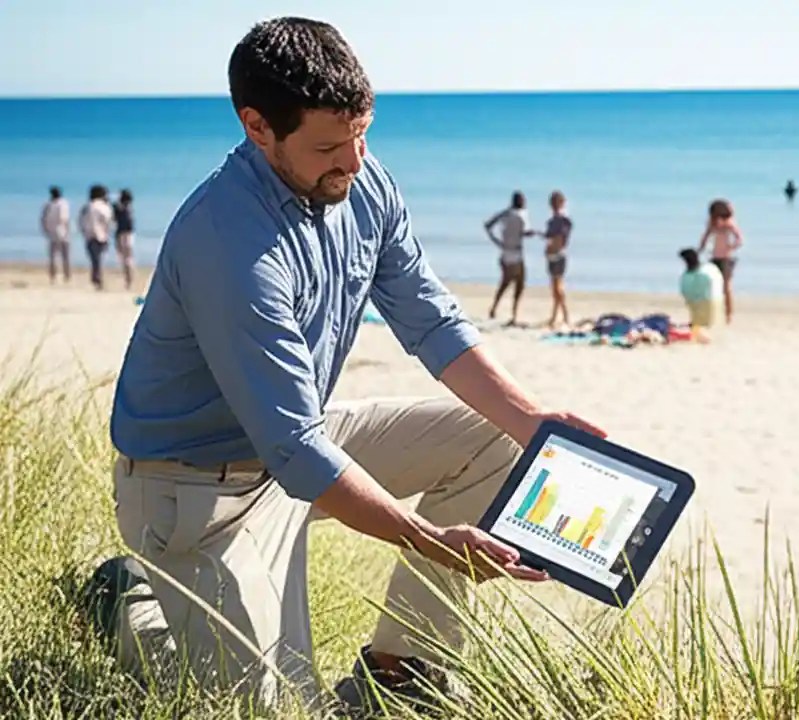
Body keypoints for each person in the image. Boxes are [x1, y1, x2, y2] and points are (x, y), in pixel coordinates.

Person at [102, 17, 601, 713]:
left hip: (294, 441)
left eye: (362, 135)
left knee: (494, 437)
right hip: (197, 490)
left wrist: (529, 417)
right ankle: (132, 601)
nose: (355, 162)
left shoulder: (362, 185)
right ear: (257, 127)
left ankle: (399, 672)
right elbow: (295, 447)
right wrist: (430, 539)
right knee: (266, 708)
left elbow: (427, 316)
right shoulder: (229, 242)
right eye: (330, 147)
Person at [484, 191, 534, 325]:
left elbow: (487, 226)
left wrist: (497, 242)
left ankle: (494, 307)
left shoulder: (505, 214)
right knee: (520, 283)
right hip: (517, 254)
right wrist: (535, 233)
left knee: (505, 282)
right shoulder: (522, 215)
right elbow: (525, 232)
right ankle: (514, 315)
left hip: (505, 253)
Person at [697, 198, 743, 324]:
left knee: (726, 287)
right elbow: (705, 236)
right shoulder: (711, 224)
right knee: (710, 286)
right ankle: (711, 312)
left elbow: (739, 239)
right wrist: (700, 249)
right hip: (714, 257)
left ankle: (729, 315)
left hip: (726, 259)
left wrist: (731, 247)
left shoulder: (729, 224)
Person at [678, 248, 722, 342]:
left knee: (699, 326)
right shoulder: (708, 269)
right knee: (698, 324)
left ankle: (701, 337)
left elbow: (687, 291)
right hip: (709, 301)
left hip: (702, 302)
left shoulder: (695, 274)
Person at [544, 190, 572, 329]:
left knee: (558, 287)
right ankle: (555, 316)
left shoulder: (562, 220)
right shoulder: (553, 220)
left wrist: (553, 245)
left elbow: (561, 239)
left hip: (558, 255)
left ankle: (565, 315)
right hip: (552, 255)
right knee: (554, 288)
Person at [78, 184, 113, 290]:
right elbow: (109, 222)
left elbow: (81, 221)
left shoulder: (87, 207)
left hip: (90, 235)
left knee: (95, 259)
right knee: (98, 259)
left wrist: (84, 232)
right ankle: (98, 279)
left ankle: (96, 278)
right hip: (101, 235)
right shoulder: (104, 206)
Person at [40, 185, 71, 283]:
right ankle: (66, 275)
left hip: (52, 233)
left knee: (53, 256)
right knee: (65, 256)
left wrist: (45, 230)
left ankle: (53, 276)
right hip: (62, 232)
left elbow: (43, 219)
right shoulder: (63, 203)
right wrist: (68, 230)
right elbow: (64, 219)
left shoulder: (48, 205)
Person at [113, 189, 136, 290]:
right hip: (129, 234)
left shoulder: (120, 209)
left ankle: (128, 278)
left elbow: (115, 219)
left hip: (122, 234)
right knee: (128, 257)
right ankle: (129, 278)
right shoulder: (129, 209)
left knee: (124, 258)